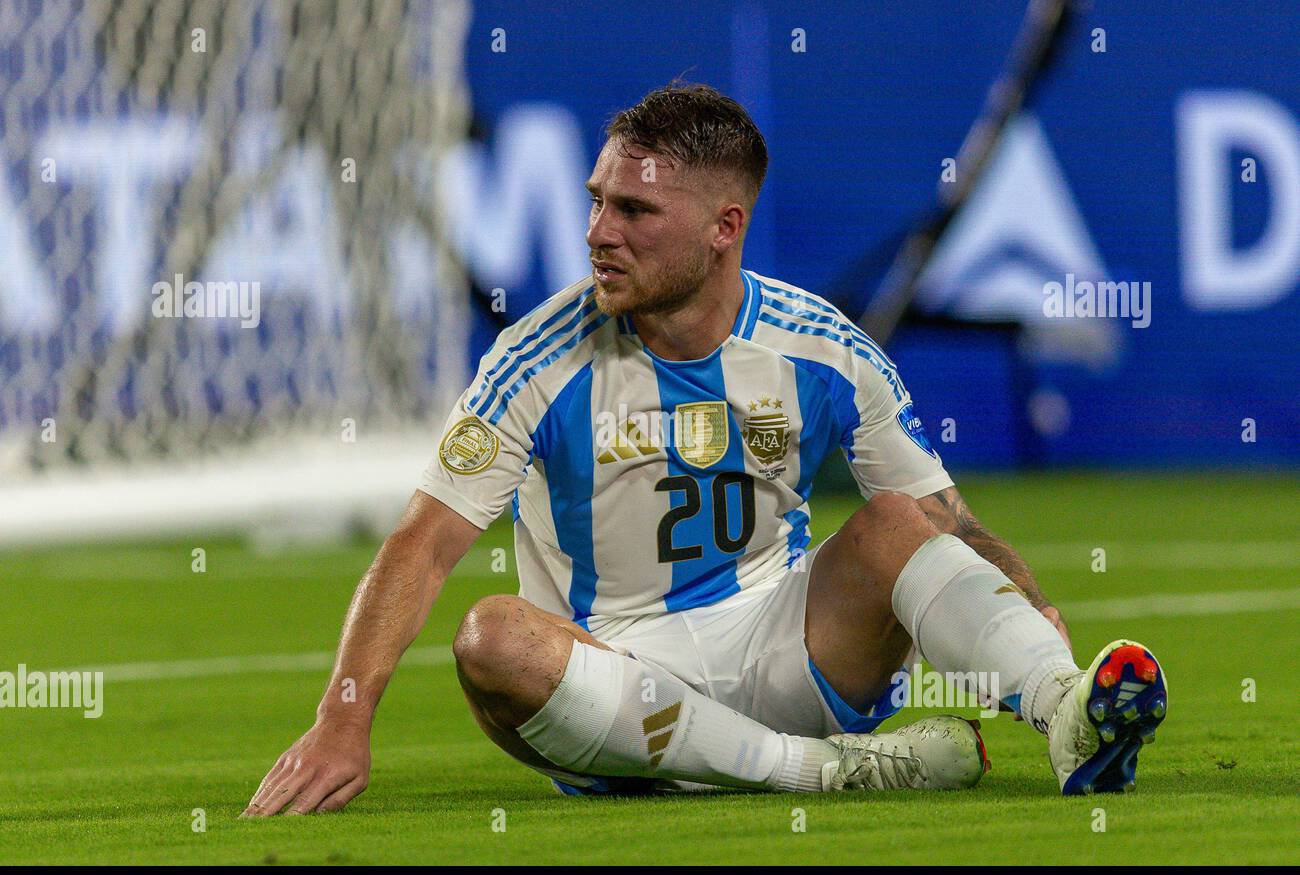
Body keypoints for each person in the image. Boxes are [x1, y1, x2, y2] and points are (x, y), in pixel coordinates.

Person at [244, 82, 1166, 815]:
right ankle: (821, 774)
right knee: (490, 638)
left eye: (636, 211)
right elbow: (424, 542)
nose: (601, 232)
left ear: (724, 228)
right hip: (613, 694)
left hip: (787, 652)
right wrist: (342, 717)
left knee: (895, 520)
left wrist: (1036, 627)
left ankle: (1066, 721)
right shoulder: (536, 355)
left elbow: (946, 524)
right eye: (599, 201)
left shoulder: (824, 350)